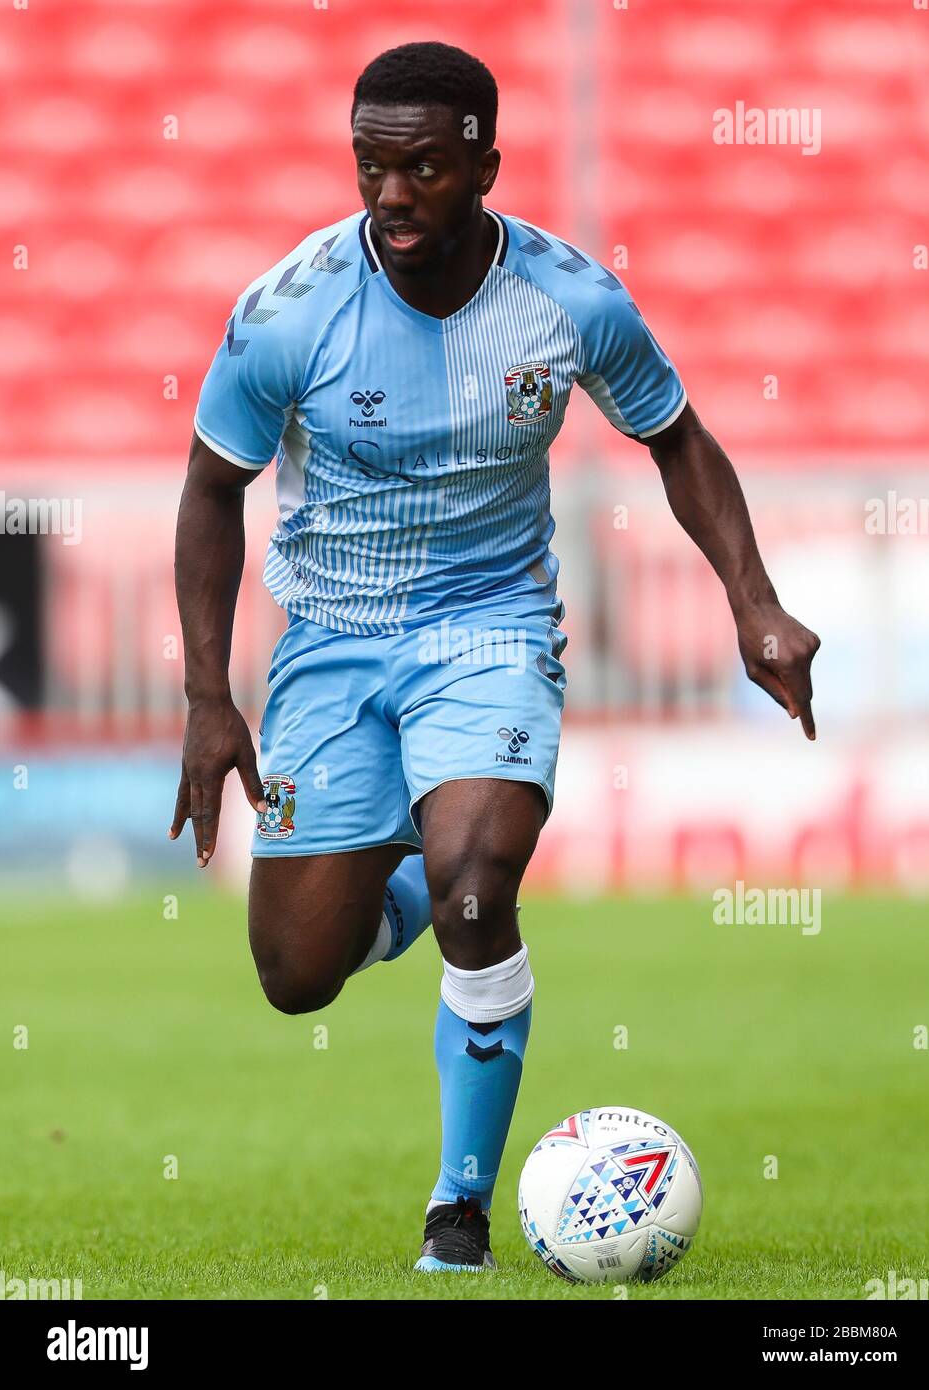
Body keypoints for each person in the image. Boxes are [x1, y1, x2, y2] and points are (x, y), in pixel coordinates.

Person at [171, 41, 820, 1272]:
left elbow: (677, 439)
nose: (391, 195)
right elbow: (211, 490)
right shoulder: (290, 312)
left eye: (420, 166)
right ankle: (397, 881)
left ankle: (457, 1212)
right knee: (297, 975)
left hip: (491, 627)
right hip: (328, 640)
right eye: (371, 165)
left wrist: (754, 606)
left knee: (480, 884)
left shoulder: (567, 300)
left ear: (485, 163)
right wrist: (210, 696)